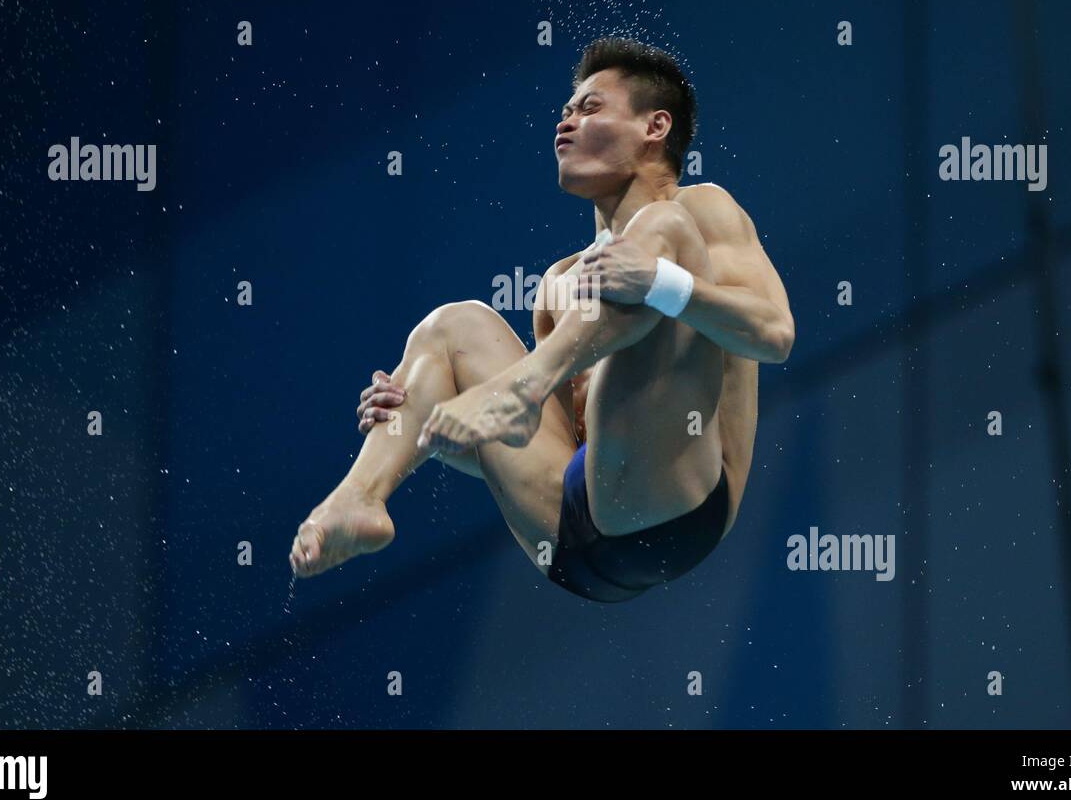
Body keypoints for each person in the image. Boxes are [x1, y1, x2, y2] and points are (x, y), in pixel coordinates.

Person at [289, 37, 795, 602]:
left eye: (590, 107)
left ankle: (520, 385)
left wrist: (660, 282)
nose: (566, 123)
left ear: (655, 127)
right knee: (455, 325)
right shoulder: (559, 282)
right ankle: (360, 496)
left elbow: (773, 336)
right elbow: (533, 444)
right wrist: (420, 425)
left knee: (661, 230)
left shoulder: (702, 210)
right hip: (570, 535)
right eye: (565, 112)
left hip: (676, 507)